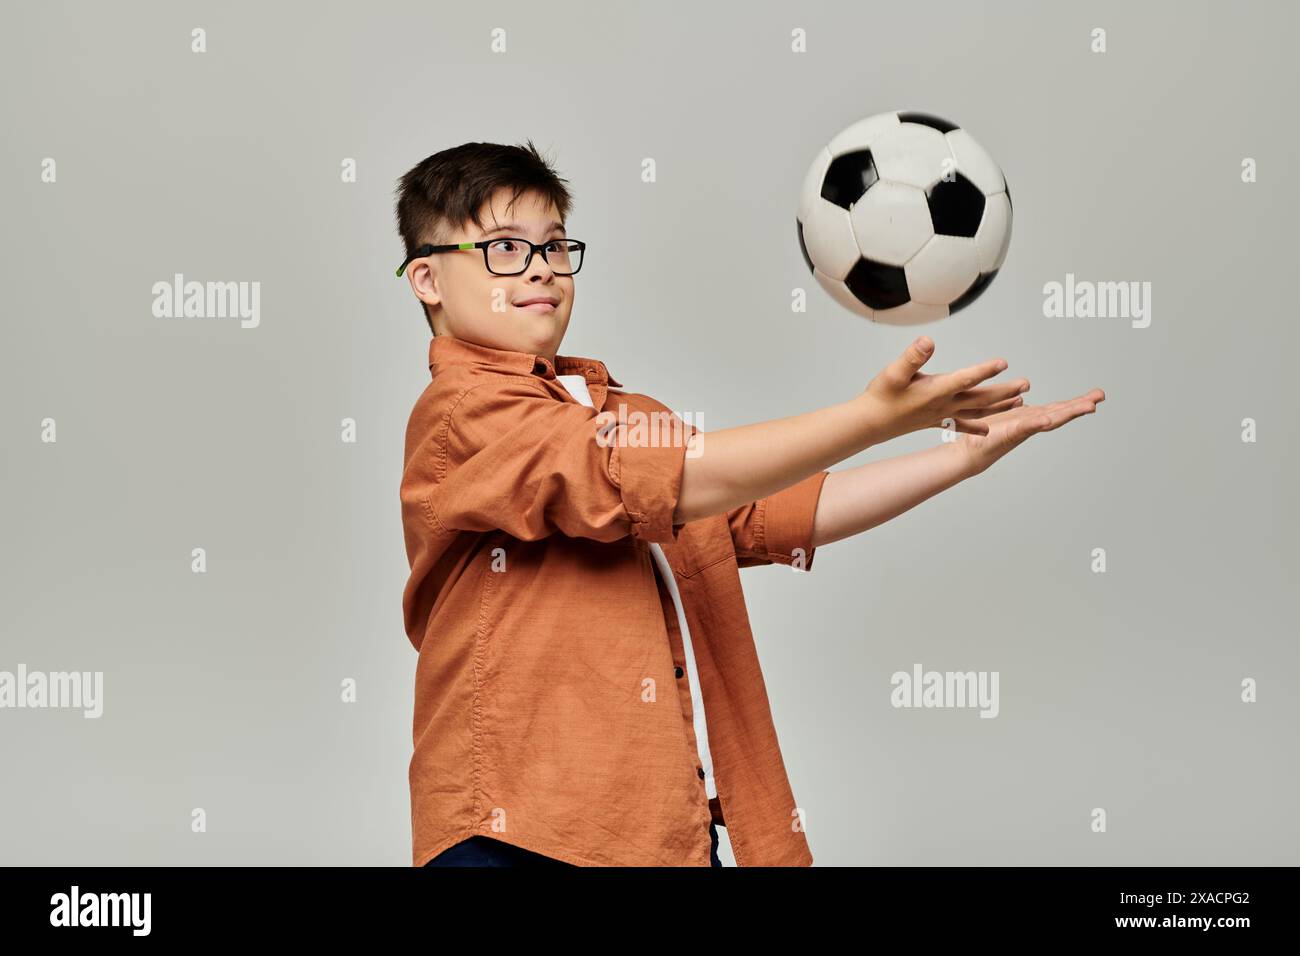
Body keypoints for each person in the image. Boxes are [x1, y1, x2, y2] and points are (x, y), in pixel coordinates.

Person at [395, 140, 1103, 867]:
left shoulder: (625, 411)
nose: (541, 265)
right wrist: (871, 417)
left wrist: (961, 458)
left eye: (553, 245)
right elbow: (643, 476)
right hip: (518, 835)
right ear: (428, 278)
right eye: (504, 248)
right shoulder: (463, 414)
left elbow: (762, 514)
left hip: (660, 835)